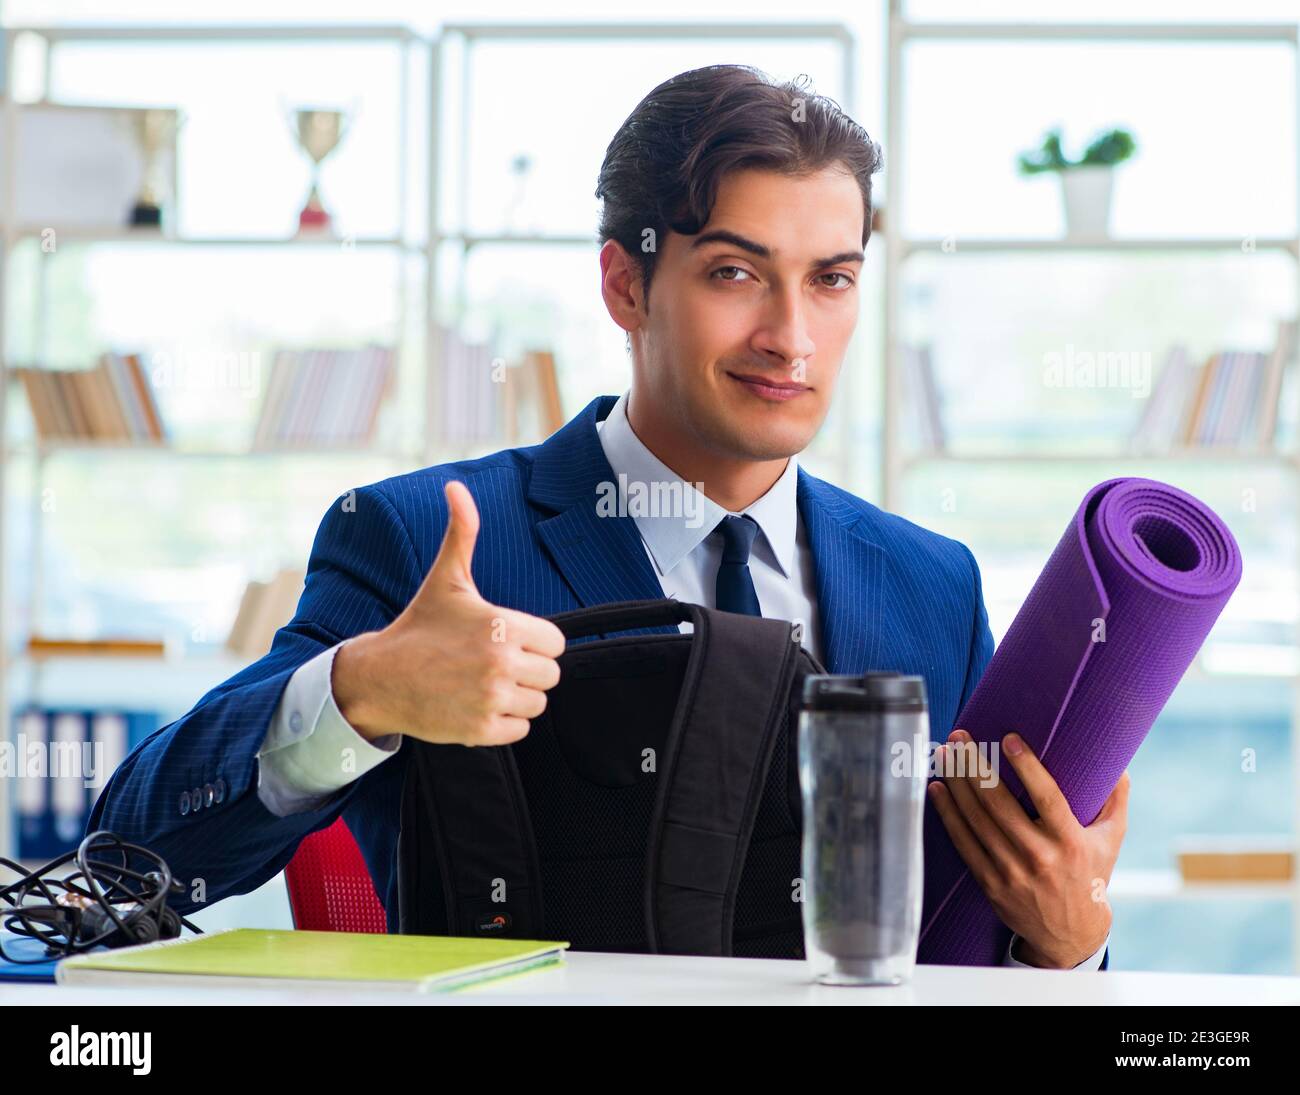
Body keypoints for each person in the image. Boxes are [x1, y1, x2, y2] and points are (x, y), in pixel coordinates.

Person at [90, 64, 1126, 969]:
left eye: (831, 281)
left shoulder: (928, 583)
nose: (790, 337)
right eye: (735, 273)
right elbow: (134, 855)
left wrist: (1065, 942)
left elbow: (954, 936)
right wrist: (358, 691)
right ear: (625, 283)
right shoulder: (424, 540)